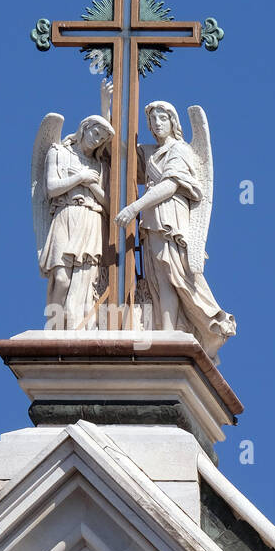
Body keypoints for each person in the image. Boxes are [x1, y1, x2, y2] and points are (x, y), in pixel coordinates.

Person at [116, 100, 235, 360]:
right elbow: (118, 152)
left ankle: (212, 322)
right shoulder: (150, 152)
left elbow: (169, 185)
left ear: (173, 122)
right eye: (152, 120)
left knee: (176, 272)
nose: (156, 124)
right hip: (151, 218)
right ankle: (167, 329)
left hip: (170, 215)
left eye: (162, 118)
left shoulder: (180, 150)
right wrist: (108, 105)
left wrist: (133, 207)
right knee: (160, 275)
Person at [40, 115, 113, 329]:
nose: (97, 140)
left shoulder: (100, 167)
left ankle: (75, 326)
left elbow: (109, 204)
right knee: (61, 278)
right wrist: (80, 178)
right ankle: (53, 327)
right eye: (95, 133)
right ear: (84, 128)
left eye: (101, 139)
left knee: (84, 281)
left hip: (90, 219)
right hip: (65, 215)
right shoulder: (58, 153)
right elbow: (51, 188)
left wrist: (92, 186)